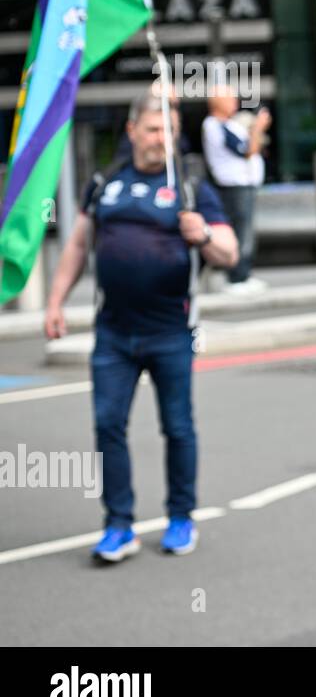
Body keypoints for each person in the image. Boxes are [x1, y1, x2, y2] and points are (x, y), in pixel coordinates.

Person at [43, 91, 239, 562]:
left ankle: (180, 517)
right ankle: (118, 525)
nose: (161, 140)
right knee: (108, 425)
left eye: (169, 131)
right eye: (153, 130)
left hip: (171, 332)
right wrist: (55, 301)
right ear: (132, 132)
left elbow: (229, 252)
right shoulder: (105, 181)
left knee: (177, 427)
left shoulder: (192, 187)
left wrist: (204, 235)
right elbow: (76, 245)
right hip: (113, 333)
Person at [201, 84, 271, 295]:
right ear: (217, 102)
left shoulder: (229, 125)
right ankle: (236, 278)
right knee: (241, 233)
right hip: (234, 187)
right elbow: (247, 151)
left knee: (245, 231)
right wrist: (258, 127)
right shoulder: (214, 125)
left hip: (244, 185)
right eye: (230, 98)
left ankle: (241, 275)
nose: (235, 102)